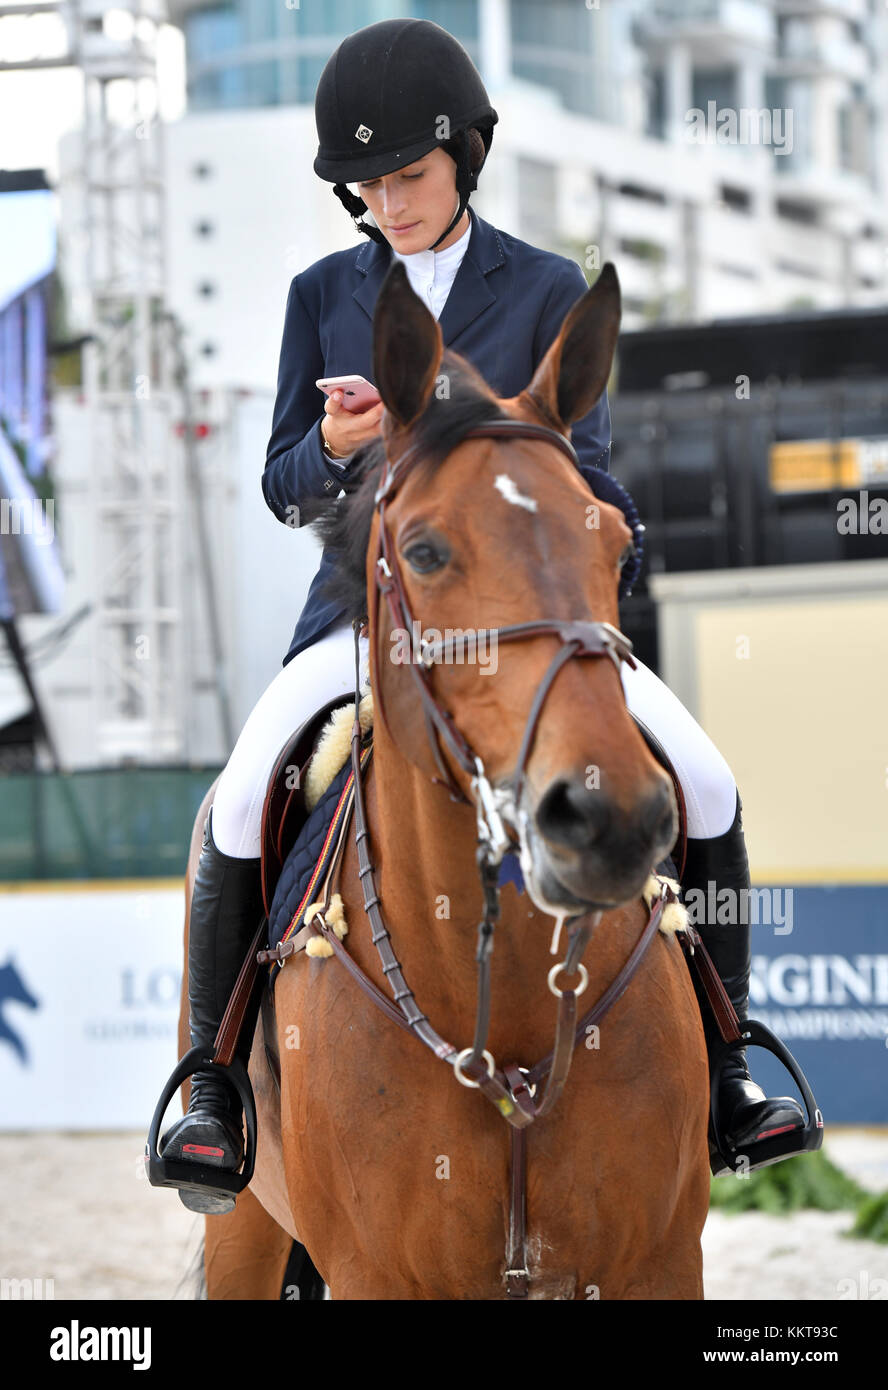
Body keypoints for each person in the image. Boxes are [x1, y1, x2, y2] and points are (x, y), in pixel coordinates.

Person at [158, 18, 804, 1212]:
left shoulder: (550, 289)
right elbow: (278, 481)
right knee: (243, 794)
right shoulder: (323, 295)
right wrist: (341, 446)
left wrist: (559, 528)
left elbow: (594, 476)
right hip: (367, 620)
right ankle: (213, 1083)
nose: (387, 202)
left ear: (465, 155)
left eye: (408, 175)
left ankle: (730, 1064)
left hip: (535, 620)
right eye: (367, 184)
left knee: (706, 780)